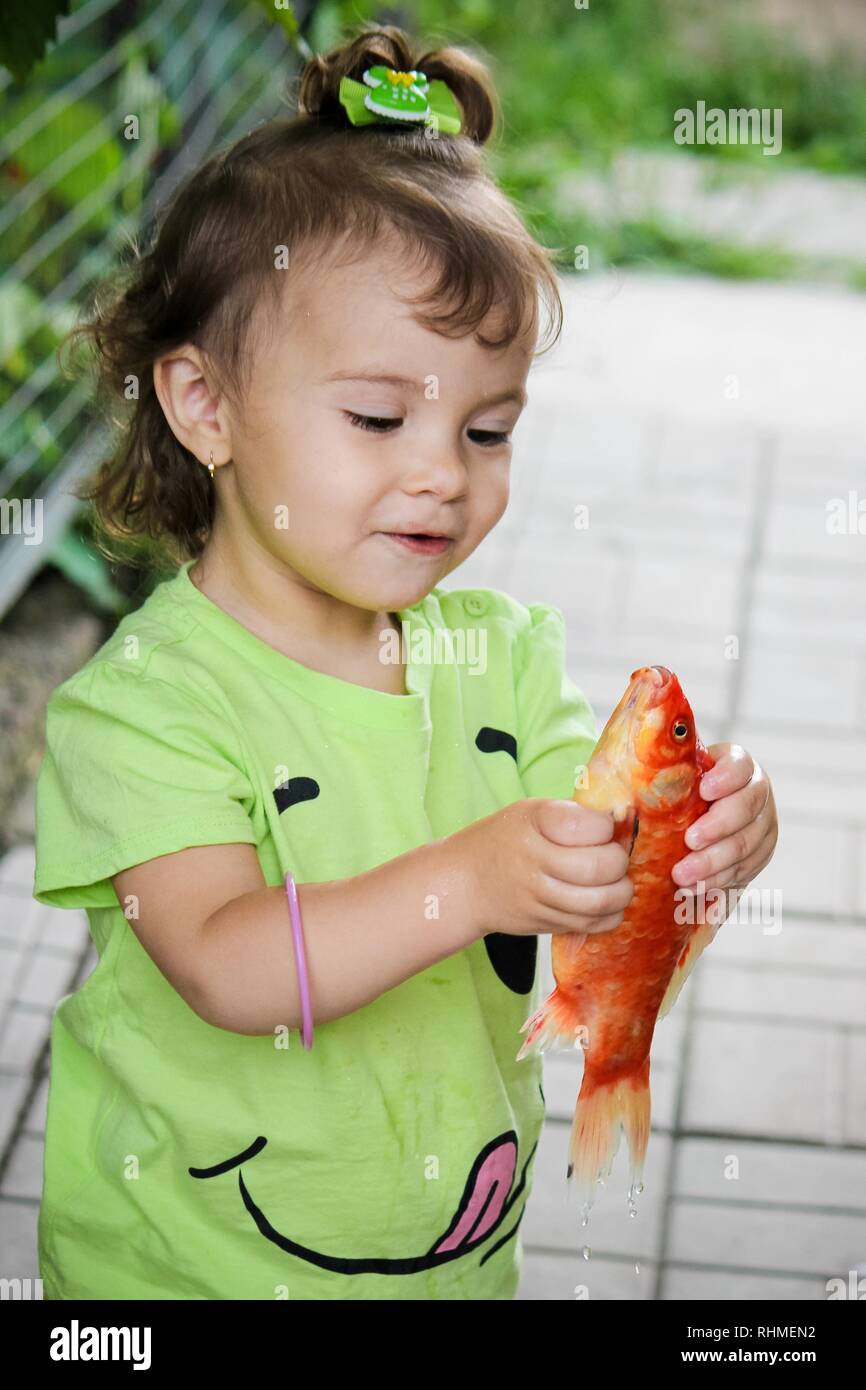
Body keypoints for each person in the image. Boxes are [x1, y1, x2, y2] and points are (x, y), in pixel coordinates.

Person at [32, 22, 779, 1300]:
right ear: (204, 405)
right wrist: (465, 880)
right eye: (378, 416)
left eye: (487, 429)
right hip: (187, 1279)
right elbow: (225, 964)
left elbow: (595, 916)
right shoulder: (145, 710)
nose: (441, 470)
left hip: (450, 1267)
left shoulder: (506, 660)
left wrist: (693, 863)